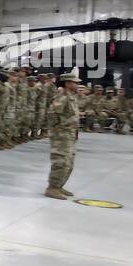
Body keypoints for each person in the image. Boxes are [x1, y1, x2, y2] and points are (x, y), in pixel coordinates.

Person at [45, 72, 82, 200]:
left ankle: (59, 185)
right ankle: (52, 188)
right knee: (61, 161)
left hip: (70, 134)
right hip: (61, 135)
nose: (77, 84)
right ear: (67, 83)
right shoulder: (62, 96)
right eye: (75, 82)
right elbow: (52, 115)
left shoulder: (71, 96)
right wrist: (57, 130)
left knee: (69, 162)